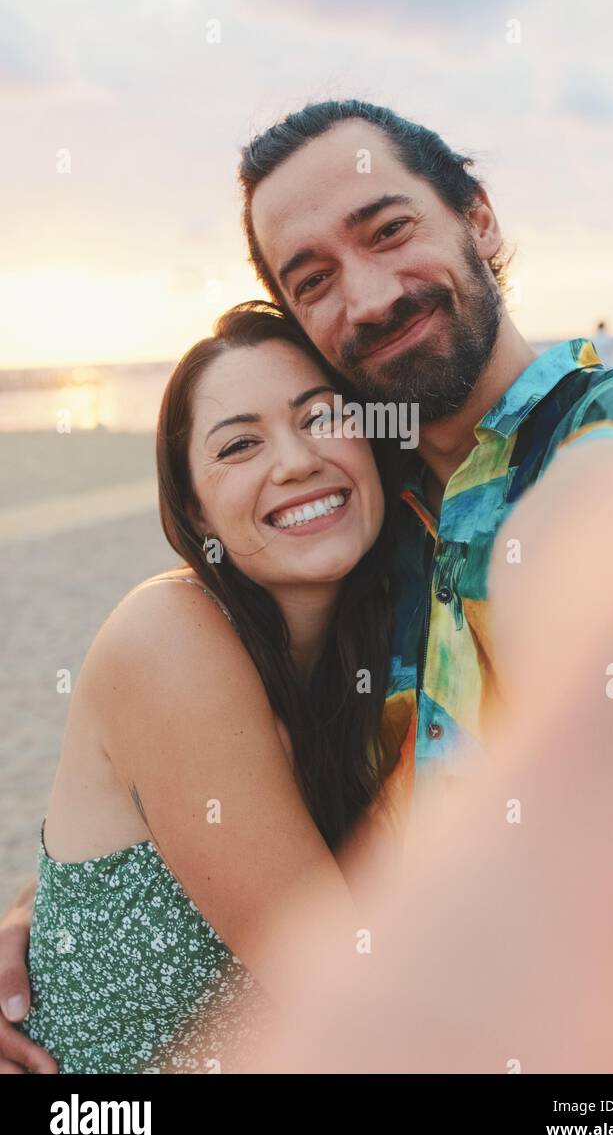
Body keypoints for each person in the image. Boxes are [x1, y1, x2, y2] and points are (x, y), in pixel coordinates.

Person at [2, 99, 613, 1072]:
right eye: (314, 281)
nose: (372, 294)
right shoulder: (369, 527)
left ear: (477, 218)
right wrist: (52, 916)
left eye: (388, 230)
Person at [6, 301, 404, 1073]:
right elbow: (349, 994)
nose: (292, 461)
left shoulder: (398, 641)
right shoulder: (168, 636)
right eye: (240, 444)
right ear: (195, 508)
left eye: (320, 417)